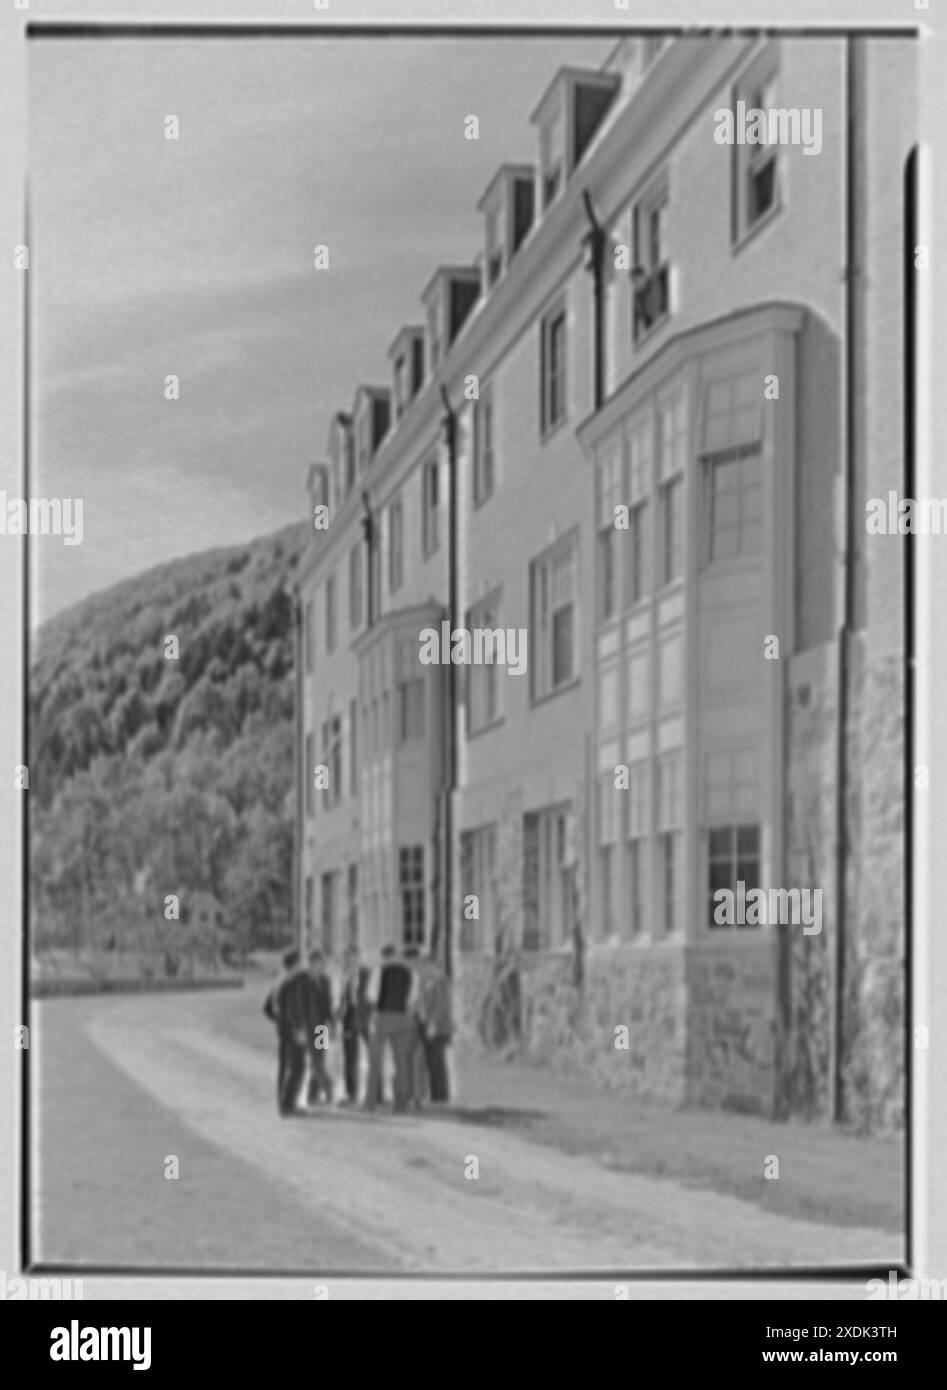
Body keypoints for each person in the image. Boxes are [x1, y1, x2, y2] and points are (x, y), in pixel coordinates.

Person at [364, 942, 417, 1113]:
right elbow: (412, 999)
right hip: (403, 1017)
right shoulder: (411, 973)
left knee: (375, 1061)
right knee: (401, 1062)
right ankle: (401, 1102)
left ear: (384, 956)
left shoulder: (379, 971)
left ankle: (371, 1101)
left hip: (383, 1016)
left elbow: (371, 996)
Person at [272, 950, 315, 1117]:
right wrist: (298, 1027)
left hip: (320, 1027)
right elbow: (292, 1008)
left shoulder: (288, 980)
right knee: (301, 1065)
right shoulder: (294, 982)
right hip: (304, 1028)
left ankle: (290, 1103)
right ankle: (289, 1104)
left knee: (316, 1057)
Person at [338, 944, 373, 1104]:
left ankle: (376, 1094)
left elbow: (374, 996)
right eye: (346, 959)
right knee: (350, 1057)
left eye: (352, 958)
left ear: (358, 958)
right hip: (349, 1018)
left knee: (374, 1056)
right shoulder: (343, 976)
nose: (349, 962)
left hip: (366, 1018)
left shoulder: (368, 974)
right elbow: (341, 1002)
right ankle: (351, 1094)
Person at [416, 952, 453, 1103]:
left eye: (425, 965)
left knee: (438, 1062)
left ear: (433, 965)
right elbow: (420, 1001)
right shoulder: (425, 980)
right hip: (425, 1025)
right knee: (429, 1061)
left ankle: (441, 1096)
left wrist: (433, 1023)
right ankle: (431, 1095)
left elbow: (442, 1005)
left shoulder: (441, 980)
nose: (423, 969)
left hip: (438, 1027)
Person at [305, 950, 335, 1107]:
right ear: (310, 964)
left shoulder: (325, 981)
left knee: (319, 1060)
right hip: (307, 1027)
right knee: (315, 1061)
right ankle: (329, 1086)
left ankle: (312, 1095)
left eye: (321, 965)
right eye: (316, 964)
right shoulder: (302, 982)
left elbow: (328, 1004)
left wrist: (333, 1024)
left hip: (321, 1027)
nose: (319, 967)